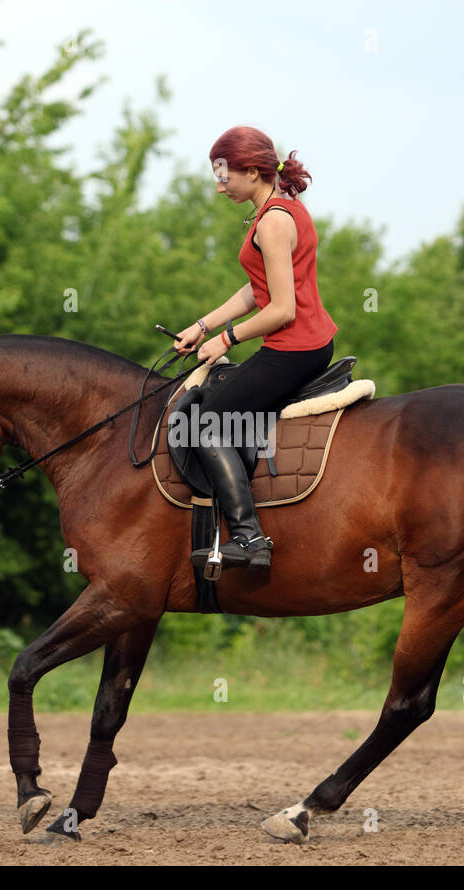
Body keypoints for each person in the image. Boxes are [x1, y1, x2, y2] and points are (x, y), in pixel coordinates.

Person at [174, 126, 338, 571]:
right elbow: (256, 289)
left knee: (205, 423)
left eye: (225, 176)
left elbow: (281, 309)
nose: (219, 185)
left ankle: (248, 539)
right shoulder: (281, 209)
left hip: (294, 346)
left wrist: (225, 340)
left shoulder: (273, 221)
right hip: (307, 341)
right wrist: (202, 325)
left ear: (252, 171)